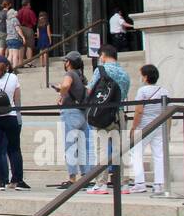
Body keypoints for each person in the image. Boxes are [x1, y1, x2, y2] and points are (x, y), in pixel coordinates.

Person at [85, 44, 131, 194]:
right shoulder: (125, 74)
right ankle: (124, 183)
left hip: (103, 114)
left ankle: (101, 183)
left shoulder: (101, 70)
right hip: (120, 114)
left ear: (103, 55)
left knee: (102, 148)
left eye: (100, 56)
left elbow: (91, 89)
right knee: (121, 150)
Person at [0, 56, 29, 191]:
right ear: (7, 66)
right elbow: (17, 98)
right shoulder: (13, 78)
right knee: (14, 149)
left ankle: (1, 181)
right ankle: (17, 180)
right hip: (11, 116)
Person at [126, 64, 168, 194]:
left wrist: (134, 127)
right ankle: (159, 183)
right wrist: (169, 130)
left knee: (136, 153)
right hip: (160, 125)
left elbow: (139, 111)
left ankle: (139, 182)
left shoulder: (142, 91)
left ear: (145, 77)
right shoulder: (164, 91)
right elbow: (168, 111)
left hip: (144, 125)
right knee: (159, 154)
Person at [52, 51, 91, 187]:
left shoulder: (70, 74)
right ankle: (86, 176)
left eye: (65, 61)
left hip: (70, 112)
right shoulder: (81, 76)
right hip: (82, 113)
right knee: (83, 146)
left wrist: (61, 93)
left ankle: (72, 178)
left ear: (69, 62)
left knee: (70, 146)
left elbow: (67, 85)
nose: (64, 63)